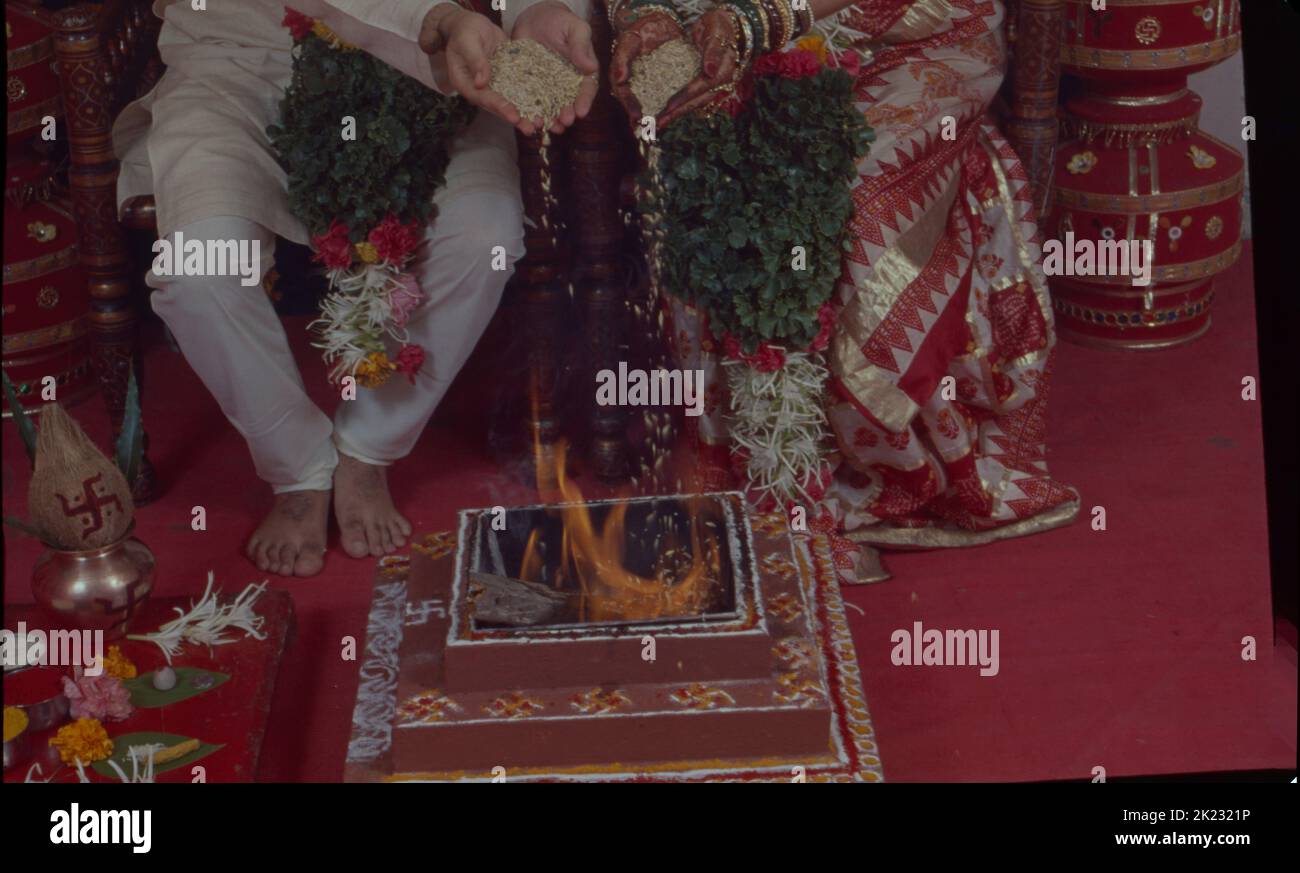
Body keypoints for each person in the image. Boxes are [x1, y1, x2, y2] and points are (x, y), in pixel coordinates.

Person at [113, 0, 598, 577]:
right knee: (198, 269)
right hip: (240, 58)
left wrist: (534, 11)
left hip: (444, 68)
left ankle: (368, 448)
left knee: (484, 237)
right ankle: (297, 470)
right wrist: (436, 20)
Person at [611, 0, 1078, 579]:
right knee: (706, 163)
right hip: (734, 30)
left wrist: (758, 21)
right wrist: (645, 16)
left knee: (848, 191)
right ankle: (761, 464)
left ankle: (879, 458)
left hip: (916, 30)